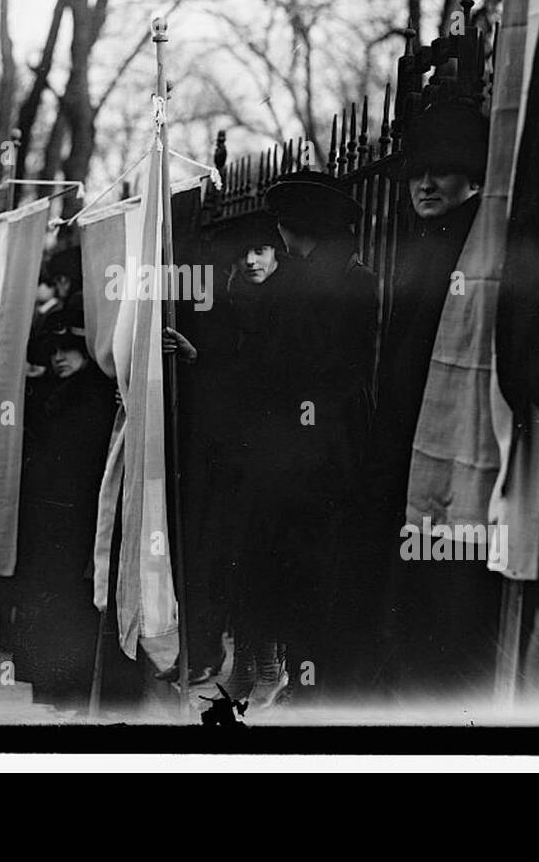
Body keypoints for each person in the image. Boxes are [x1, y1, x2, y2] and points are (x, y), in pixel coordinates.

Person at [369, 95, 500, 701]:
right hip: (405, 424)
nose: (424, 183)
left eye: (440, 170)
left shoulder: (475, 241)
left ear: (471, 175)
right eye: (417, 171)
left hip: (450, 425)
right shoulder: (421, 238)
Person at [239, 169, 379, 707]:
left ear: (298, 227)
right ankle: (299, 676)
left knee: (300, 568)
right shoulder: (350, 277)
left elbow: (294, 366)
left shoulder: (315, 283)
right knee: (304, 565)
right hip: (326, 443)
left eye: (282, 223)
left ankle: (304, 679)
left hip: (307, 447)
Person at [159, 209, 286, 698]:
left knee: (255, 561)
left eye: (261, 251)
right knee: (218, 555)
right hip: (225, 448)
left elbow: (267, 376)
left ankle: (266, 667)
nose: (251, 260)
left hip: (269, 451)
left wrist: (202, 360)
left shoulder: (281, 304)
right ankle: (221, 656)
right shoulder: (231, 299)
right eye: (245, 253)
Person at [11, 296, 120, 712]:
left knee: (77, 610)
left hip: (84, 522)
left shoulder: (101, 399)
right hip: (51, 523)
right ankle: (65, 696)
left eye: (67, 350)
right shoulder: (52, 396)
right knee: (56, 612)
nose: (58, 358)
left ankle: (80, 696)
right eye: (52, 351)